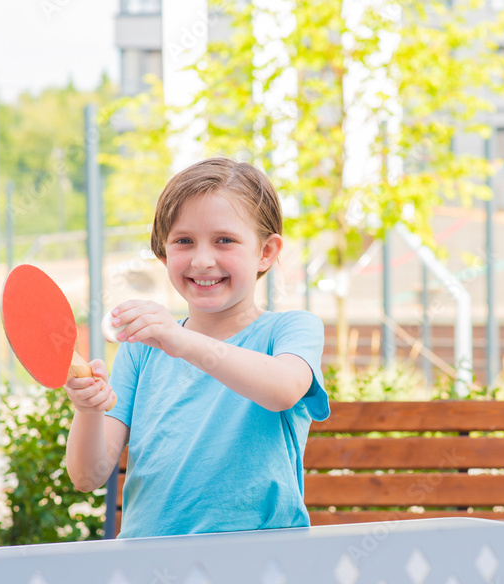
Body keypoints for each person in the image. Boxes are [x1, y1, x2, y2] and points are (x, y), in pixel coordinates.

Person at [64, 156, 330, 537]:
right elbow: (87, 476)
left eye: (225, 240)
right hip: (149, 567)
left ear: (266, 252)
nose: (203, 260)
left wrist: (180, 340)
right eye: (184, 241)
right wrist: (87, 411)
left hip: (261, 565)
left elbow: (283, 390)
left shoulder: (290, 329)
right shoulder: (141, 349)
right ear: (164, 254)